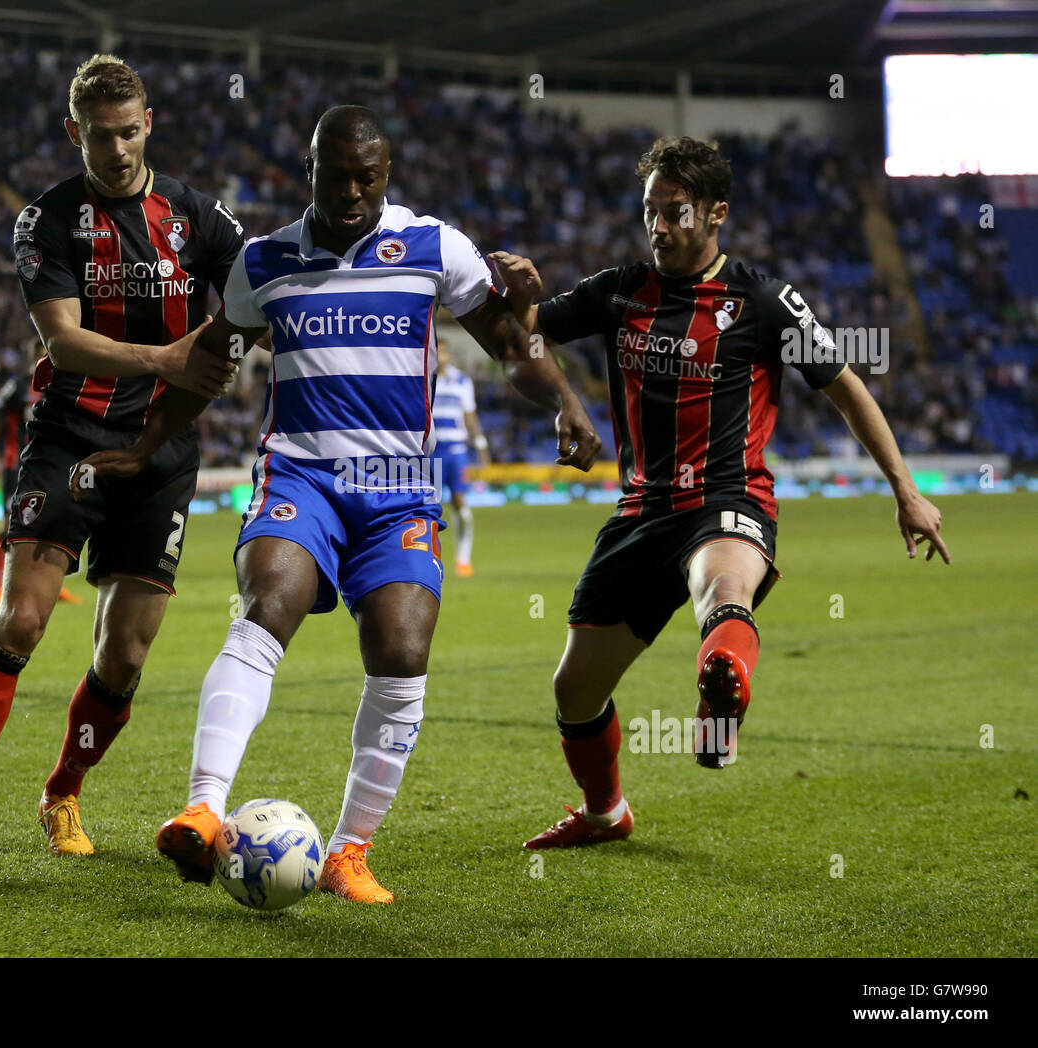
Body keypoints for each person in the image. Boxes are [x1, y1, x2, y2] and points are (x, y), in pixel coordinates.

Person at [73, 105, 602, 902]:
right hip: (301, 477)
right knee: (268, 603)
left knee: (401, 648)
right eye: (337, 175)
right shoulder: (265, 260)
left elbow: (507, 340)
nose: (352, 192)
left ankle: (350, 851)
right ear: (309, 169)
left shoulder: (435, 246)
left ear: (386, 175)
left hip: (399, 493)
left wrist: (564, 397)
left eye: (368, 177)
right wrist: (147, 446)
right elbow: (209, 362)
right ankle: (204, 811)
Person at [487, 136, 950, 850]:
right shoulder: (619, 289)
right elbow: (525, 339)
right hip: (642, 511)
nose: (659, 227)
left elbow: (846, 389)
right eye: (651, 211)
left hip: (727, 499)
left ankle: (721, 697)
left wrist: (906, 490)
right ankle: (606, 814)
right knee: (573, 692)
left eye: (675, 212)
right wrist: (521, 303)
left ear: (716, 215)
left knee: (721, 589)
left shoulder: (762, 300)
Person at [0, 54, 243, 868]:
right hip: (69, 437)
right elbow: (61, 338)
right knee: (22, 616)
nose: (119, 149)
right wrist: (173, 360)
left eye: (130, 132)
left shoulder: (199, 217)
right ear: (74, 133)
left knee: (124, 653)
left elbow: (258, 297)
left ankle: (63, 793)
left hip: (162, 449)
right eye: (101, 136)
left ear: (149, 123)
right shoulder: (47, 218)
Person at [0, 346, 81, 606]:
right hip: (17, 466)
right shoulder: (18, 386)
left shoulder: (59, 385)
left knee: (53, 523)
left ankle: (51, 586)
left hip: (49, 465)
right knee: (8, 523)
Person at [432, 338, 490, 576]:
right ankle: (430, 558)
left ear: (449, 355)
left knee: (460, 503)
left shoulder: (462, 381)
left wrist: (481, 445)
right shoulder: (424, 380)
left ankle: (463, 559)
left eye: (444, 352)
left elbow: (470, 416)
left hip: (456, 449)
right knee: (429, 506)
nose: (441, 357)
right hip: (432, 451)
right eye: (437, 352)